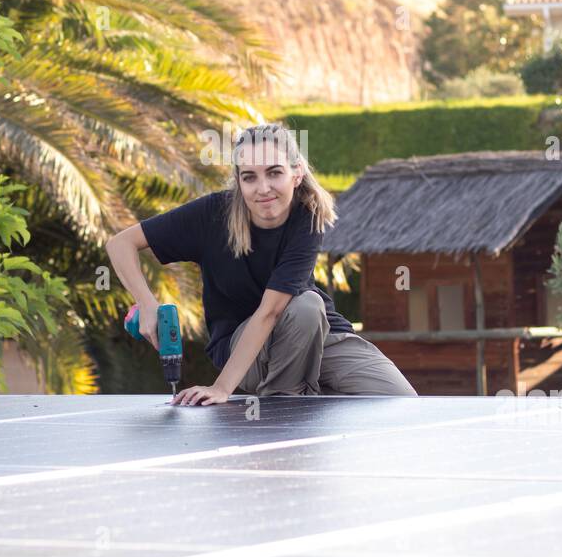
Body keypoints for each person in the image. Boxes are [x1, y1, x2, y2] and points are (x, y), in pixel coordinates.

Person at [105, 122, 418, 405]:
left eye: (274, 173)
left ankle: (303, 394)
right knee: (306, 306)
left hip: (311, 334)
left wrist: (221, 389)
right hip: (242, 349)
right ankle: (283, 407)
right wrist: (147, 303)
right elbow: (120, 244)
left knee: (401, 401)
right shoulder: (212, 215)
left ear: (296, 174)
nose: (263, 187)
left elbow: (272, 310)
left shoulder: (307, 218)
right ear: (238, 182)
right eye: (249, 177)